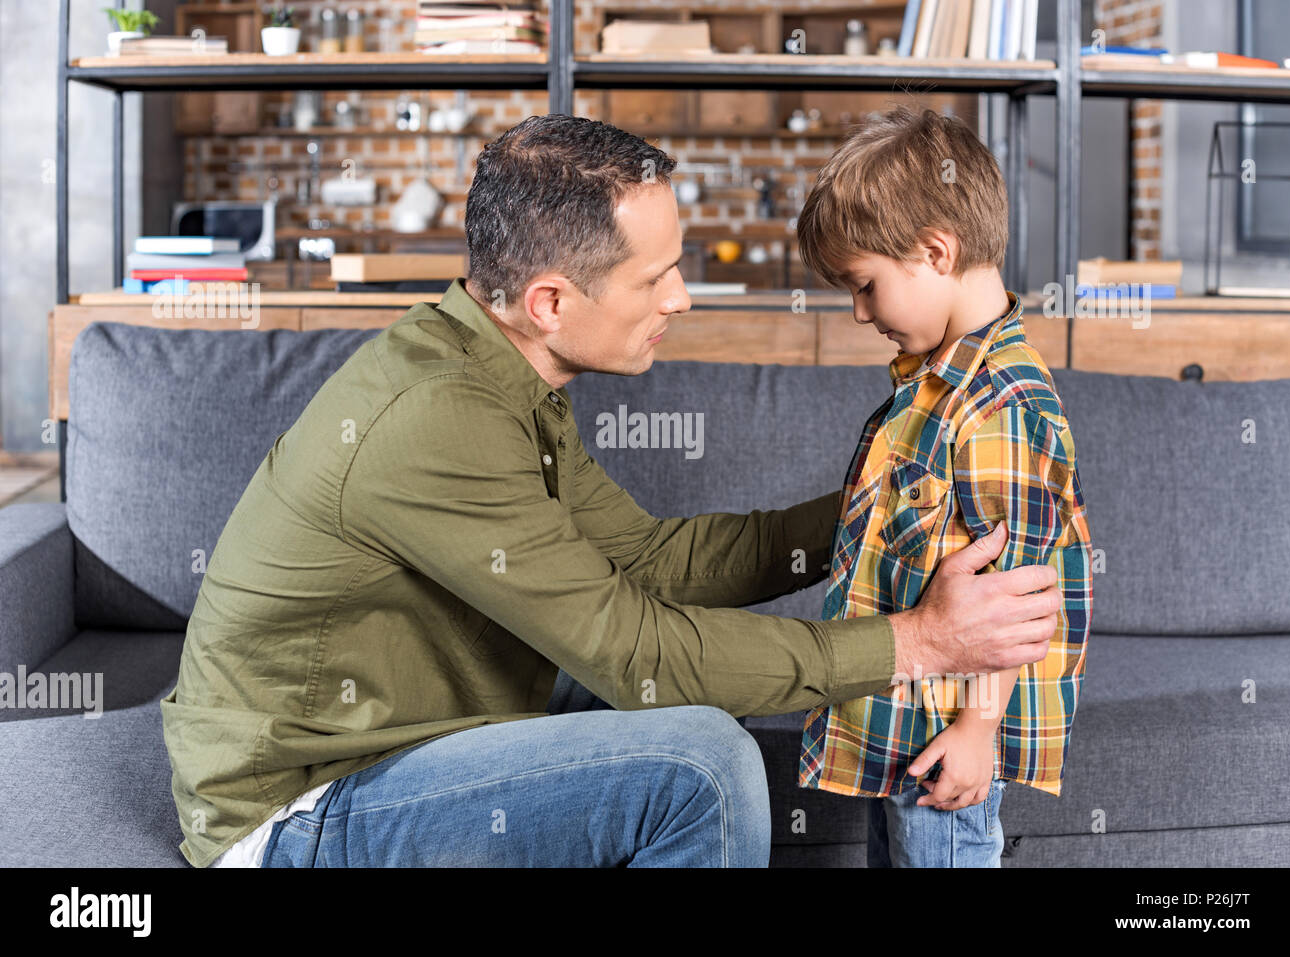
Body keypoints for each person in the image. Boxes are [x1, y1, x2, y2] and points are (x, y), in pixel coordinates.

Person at [160, 113, 1064, 868]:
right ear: (551, 301)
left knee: (676, 696)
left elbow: (648, 562)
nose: (683, 298)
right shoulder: (438, 419)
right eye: (656, 276)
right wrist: (913, 642)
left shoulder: (495, 369)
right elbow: (641, 646)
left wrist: (874, 517)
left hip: (410, 732)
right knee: (701, 763)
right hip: (298, 812)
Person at [795, 106, 1094, 867]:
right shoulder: (931, 386)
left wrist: (977, 728)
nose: (860, 312)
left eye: (864, 286)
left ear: (934, 250)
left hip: (945, 737)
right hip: (900, 723)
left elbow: (1021, 595)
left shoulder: (1001, 404)